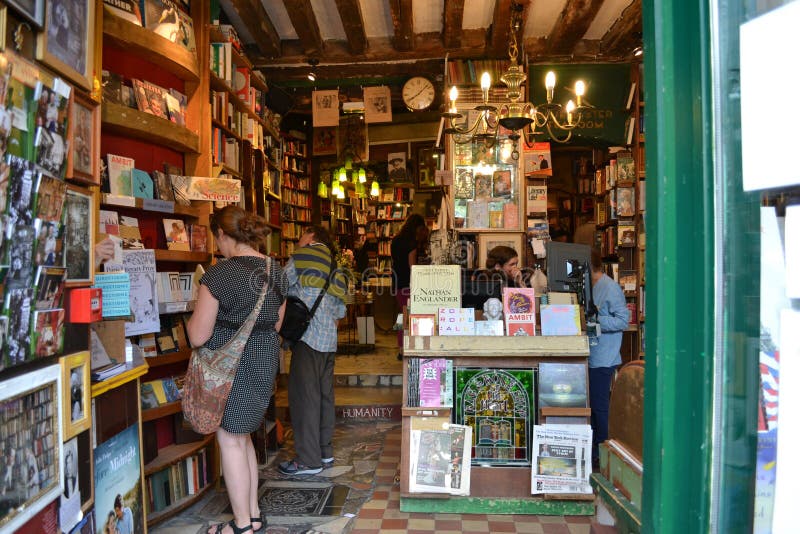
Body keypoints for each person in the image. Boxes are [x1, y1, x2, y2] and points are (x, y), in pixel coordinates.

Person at [186, 206, 285, 534]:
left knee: (229, 439)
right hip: (263, 362)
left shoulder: (217, 276)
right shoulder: (277, 271)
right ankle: (253, 515)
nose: (218, 245)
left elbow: (198, 335)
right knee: (243, 439)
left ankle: (242, 526)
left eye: (218, 238)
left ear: (224, 235)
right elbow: (276, 325)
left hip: (230, 369)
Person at [277, 226, 347, 476]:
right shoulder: (338, 269)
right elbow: (340, 313)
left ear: (312, 237)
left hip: (307, 340)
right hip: (329, 342)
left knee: (305, 399)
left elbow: (279, 286)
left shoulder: (302, 257)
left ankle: (308, 460)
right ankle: (324, 451)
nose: (297, 242)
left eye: (301, 238)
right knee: (325, 397)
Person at [588, 248, 630, 466]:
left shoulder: (610, 288)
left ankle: (604, 454)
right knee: (594, 406)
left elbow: (623, 321)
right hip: (593, 353)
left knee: (600, 407)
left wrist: (596, 321)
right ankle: (596, 451)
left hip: (604, 357)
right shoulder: (592, 286)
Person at [390, 214, 429, 358]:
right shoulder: (411, 243)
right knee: (411, 316)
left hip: (397, 282)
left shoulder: (395, 240)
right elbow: (412, 267)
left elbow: (395, 261)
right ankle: (410, 347)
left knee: (402, 315)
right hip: (408, 284)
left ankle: (401, 348)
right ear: (417, 227)